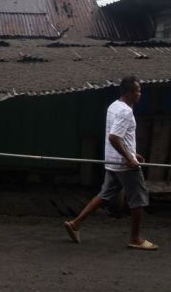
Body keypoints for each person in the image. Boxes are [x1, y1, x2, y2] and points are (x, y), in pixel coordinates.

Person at [64, 76, 158, 250]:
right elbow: (114, 137)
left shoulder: (113, 106)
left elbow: (121, 137)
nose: (140, 94)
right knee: (138, 199)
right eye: (138, 91)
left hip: (113, 161)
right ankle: (135, 239)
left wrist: (132, 153)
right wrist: (130, 158)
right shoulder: (125, 111)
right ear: (130, 93)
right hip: (124, 165)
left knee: (105, 195)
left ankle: (75, 223)